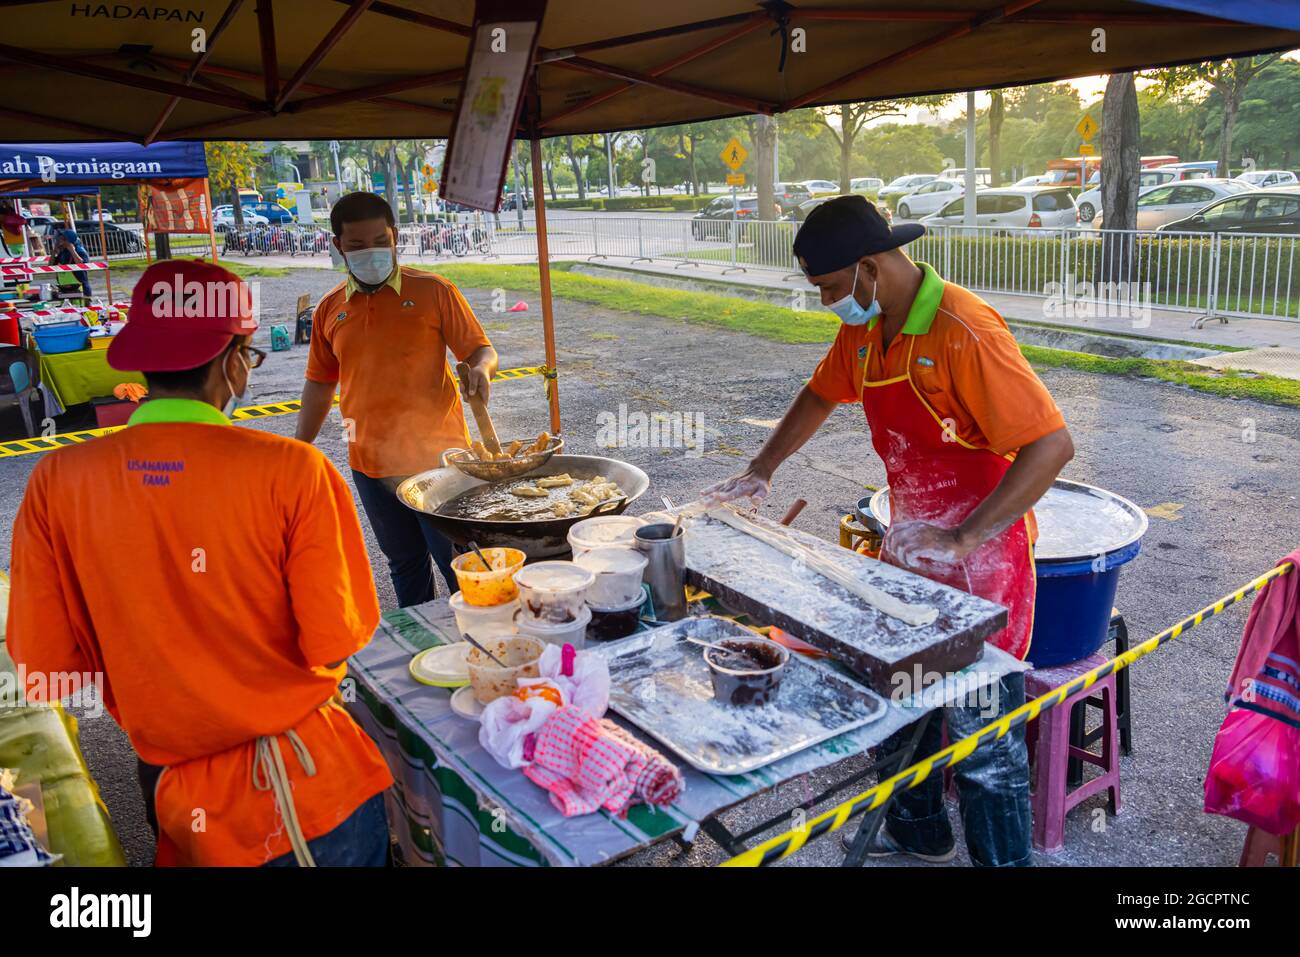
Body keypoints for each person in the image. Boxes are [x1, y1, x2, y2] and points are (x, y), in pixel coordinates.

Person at [702, 196, 1075, 867]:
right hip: (911, 544)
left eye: (830, 289)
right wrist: (761, 469)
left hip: (984, 557)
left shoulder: (966, 329)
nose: (826, 305)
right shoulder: (866, 328)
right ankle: (919, 830)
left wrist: (962, 537)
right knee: (901, 702)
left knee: (983, 736)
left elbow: (1051, 445)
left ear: (869, 267)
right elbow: (821, 393)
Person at [8, 260, 393, 866]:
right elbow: (334, 638)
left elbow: (43, 661)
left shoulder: (58, 481)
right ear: (233, 361)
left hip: (174, 792)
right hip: (302, 788)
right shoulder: (293, 471)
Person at [295, 192, 498, 605]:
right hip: (369, 465)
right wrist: (299, 448)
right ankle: (422, 650)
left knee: (461, 564)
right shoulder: (329, 309)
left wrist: (481, 369)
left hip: (440, 462)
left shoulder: (434, 291)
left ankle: (483, 642)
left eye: (379, 241)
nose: (370, 252)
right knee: (404, 563)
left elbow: (481, 351)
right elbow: (320, 383)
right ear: (338, 246)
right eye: (356, 245)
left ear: (395, 237)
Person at [50, 227, 93, 299]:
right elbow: (50, 266)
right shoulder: (63, 252)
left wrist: (72, 251)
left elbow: (81, 265)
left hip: (81, 289)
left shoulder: (80, 251)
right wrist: (54, 251)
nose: (59, 241)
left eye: (61, 239)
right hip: (65, 289)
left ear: (68, 241)